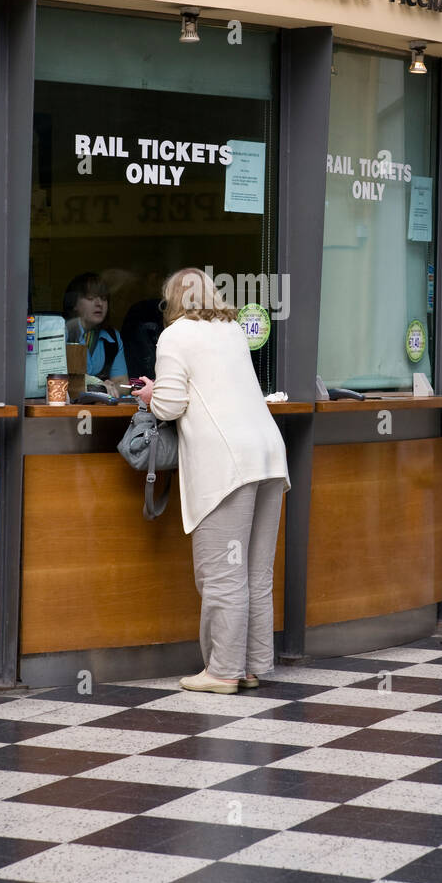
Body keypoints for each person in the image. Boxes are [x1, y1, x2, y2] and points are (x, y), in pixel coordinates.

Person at [135, 268, 290, 695]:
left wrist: (149, 395)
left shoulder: (176, 335)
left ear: (172, 301)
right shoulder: (232, 330)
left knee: (223, 573)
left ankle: (222, 671)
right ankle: (251, 665)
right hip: (269, 456)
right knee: (255, 572)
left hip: (228, 466)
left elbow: (169, 404)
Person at [62, 273, 128, 385]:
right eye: (90, 298)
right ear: (74, 303)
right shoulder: (61, 332)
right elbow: (55, 379)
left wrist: (108, 389)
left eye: (104, 298)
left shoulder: (112, 337)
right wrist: (99, 386)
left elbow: (123, 383)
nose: (99, 304)